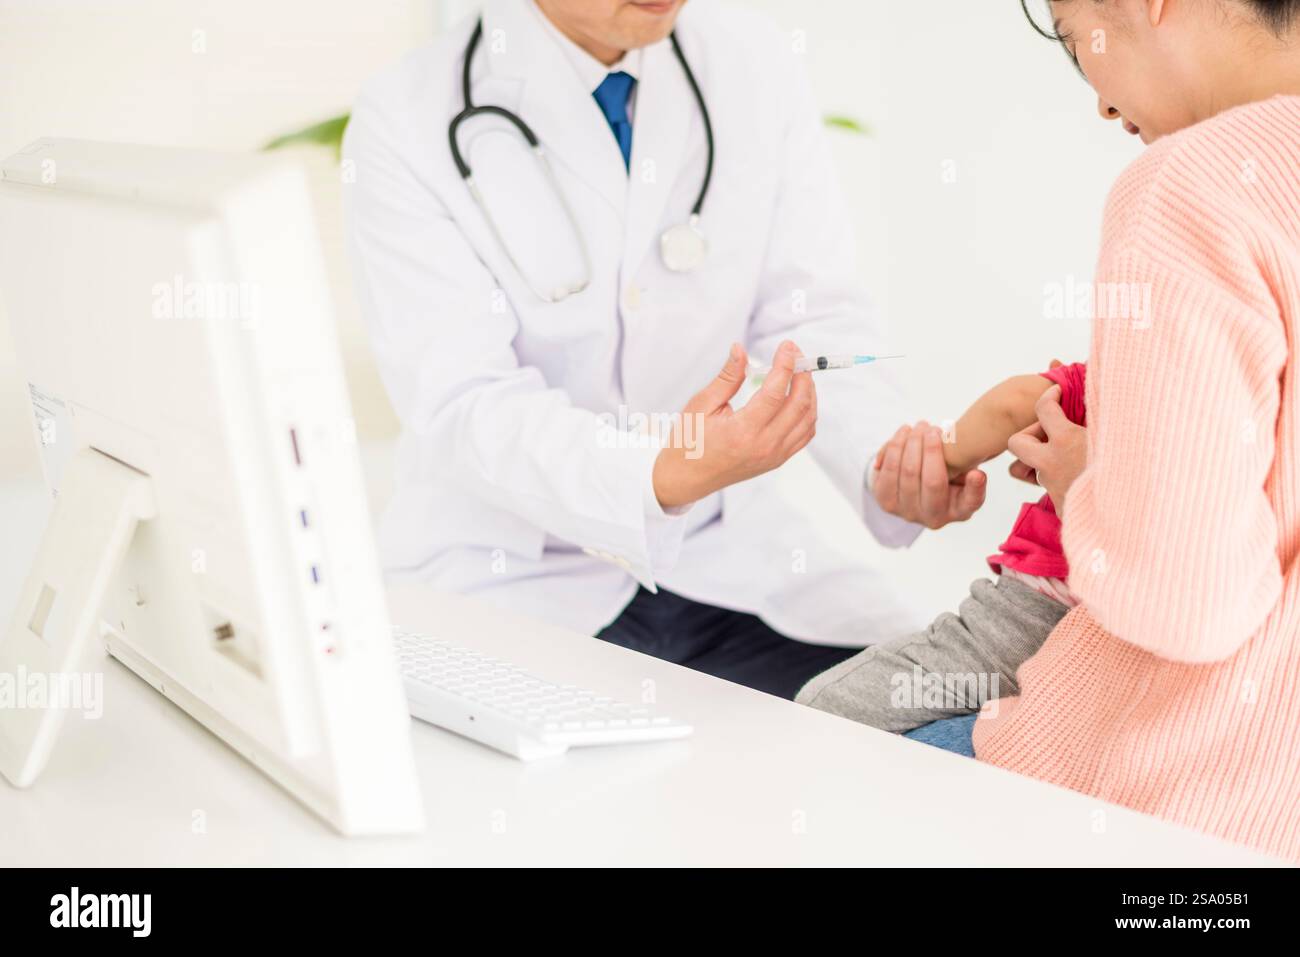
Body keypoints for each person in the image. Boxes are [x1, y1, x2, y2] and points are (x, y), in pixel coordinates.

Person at [343, 0, 933, 700]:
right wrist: (658, 473)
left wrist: (890, 461)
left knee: (930, 717)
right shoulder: (406, 115)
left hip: (726, 558)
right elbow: (465, 401)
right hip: (511, 573)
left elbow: (808, 315)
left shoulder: (749, 60)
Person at [874, 0, 1300, 861]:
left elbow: (1189, 602)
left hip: (1172, 810)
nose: (1102, 104)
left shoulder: (1193, 186)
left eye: (1076, 41)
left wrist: (1082, 483)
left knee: (799, 753)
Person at [797, 363, 1087, 755]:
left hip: (1031, 623)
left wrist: (948, 460)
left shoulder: (1133, 373)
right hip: (1117, 652)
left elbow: (1016, 403)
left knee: (820, 708)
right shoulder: (1194, 398)